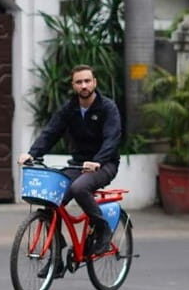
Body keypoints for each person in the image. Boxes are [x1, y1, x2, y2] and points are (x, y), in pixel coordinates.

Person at [17, 65, 122, 275]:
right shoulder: (69, 109)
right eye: (79, 82)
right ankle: (56, 258)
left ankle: (102, 229)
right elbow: (50, 133)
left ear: (94, 83)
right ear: (73, 85)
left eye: (87, 81)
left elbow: (112, 138)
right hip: (78, 164)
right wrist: (31, 154)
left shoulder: (107, 108)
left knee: (79, 188)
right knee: (50, 198)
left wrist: (98, 161)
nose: (84, 86)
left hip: (105, 164)